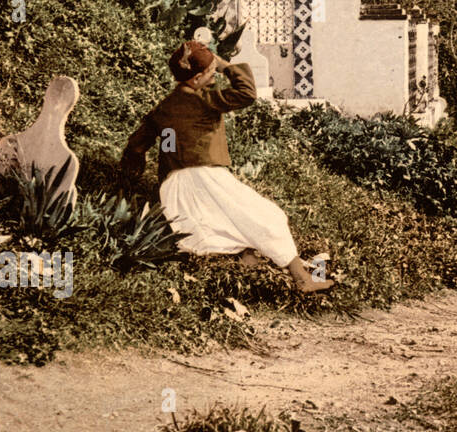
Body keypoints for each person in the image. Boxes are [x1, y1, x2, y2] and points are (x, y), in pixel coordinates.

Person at [120, 39, 333, 292]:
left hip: (174, 187)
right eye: (210, 74)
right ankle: (303, 279)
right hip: (204, 179)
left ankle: (246, 263)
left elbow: (139, 145)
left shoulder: (164, 108)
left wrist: (133, 176)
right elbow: (247, 93)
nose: (214, 78)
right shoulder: (205, 101)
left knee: (217, 227)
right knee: (269, 217)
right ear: (197, 77)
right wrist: (225, 66)